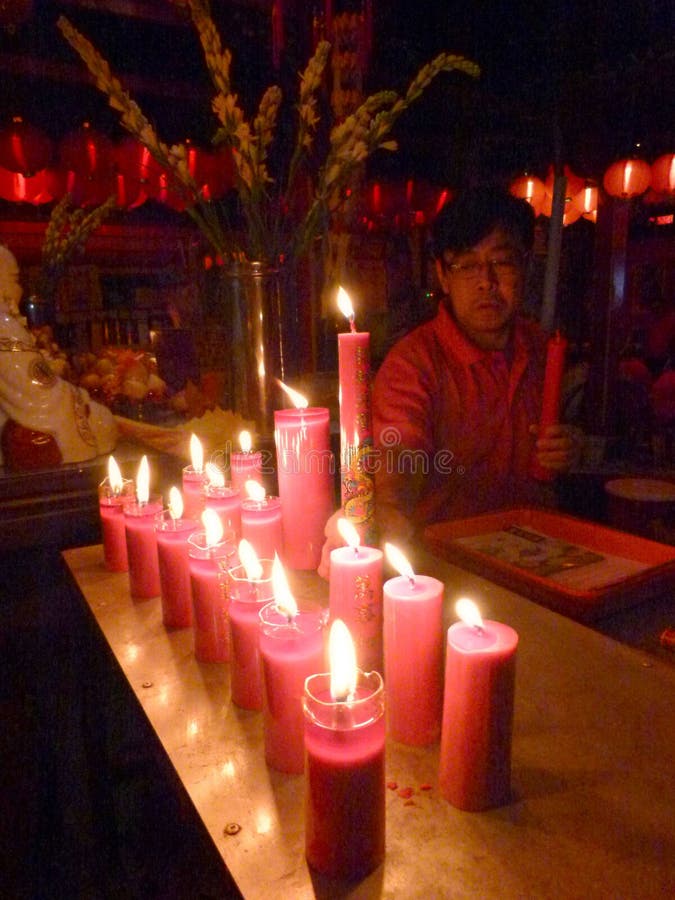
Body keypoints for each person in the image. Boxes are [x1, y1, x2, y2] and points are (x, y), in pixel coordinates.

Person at [318, 187, 580, 576]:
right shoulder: (414, 363)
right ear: (442, 274)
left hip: (539, 558)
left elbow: (561, 458)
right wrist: (383, 507)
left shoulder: (544, 350)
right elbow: (398, 460)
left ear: (525, 267)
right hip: (444, 565)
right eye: (468, 266)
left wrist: (569, 450)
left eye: (502, 263)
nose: (486, 282)